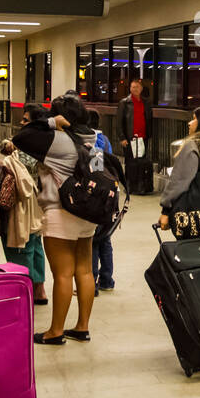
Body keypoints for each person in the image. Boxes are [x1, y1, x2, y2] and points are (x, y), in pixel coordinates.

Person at [12, 94, 99, 345]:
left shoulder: (57, 139)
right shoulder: (94, 138)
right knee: (84, 271)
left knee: (62, 274)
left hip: (61, 210)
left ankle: (55, 331)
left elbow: (21, 138)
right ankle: (82, 327)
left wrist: (51, 123)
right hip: (88, 212)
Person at [0, 104, 50, 306]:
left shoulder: (32, 145)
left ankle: (23, 289)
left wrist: (3, 164)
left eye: (25, 120)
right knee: (36, 245)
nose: (21, 122)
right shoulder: (47, 141)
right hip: (41, 202)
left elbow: (22, 170)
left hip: (25, 202)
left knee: (21, 243)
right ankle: (39, 288)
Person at [87, 110, 115, 292]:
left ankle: (92, 283)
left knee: (94, 240)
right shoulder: (105, 139)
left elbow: (95, 168)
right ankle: (107, 280)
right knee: (105, 238)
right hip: (111, 192)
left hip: (97, 194)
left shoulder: (94, 141)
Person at [118, 78, 154, 195]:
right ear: (130, 88)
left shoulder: (146, 102)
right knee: (130, 163)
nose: (135, 89)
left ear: (141, 89)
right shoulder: (124, 102)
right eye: (133, 87)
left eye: (137, 87)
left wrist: (150, 134)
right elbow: (119, 122)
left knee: (141, 163)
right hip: (130, 138)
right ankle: (129, 186)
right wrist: (122, 137)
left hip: (143, 137)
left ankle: (141, 186)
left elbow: (149, 119)